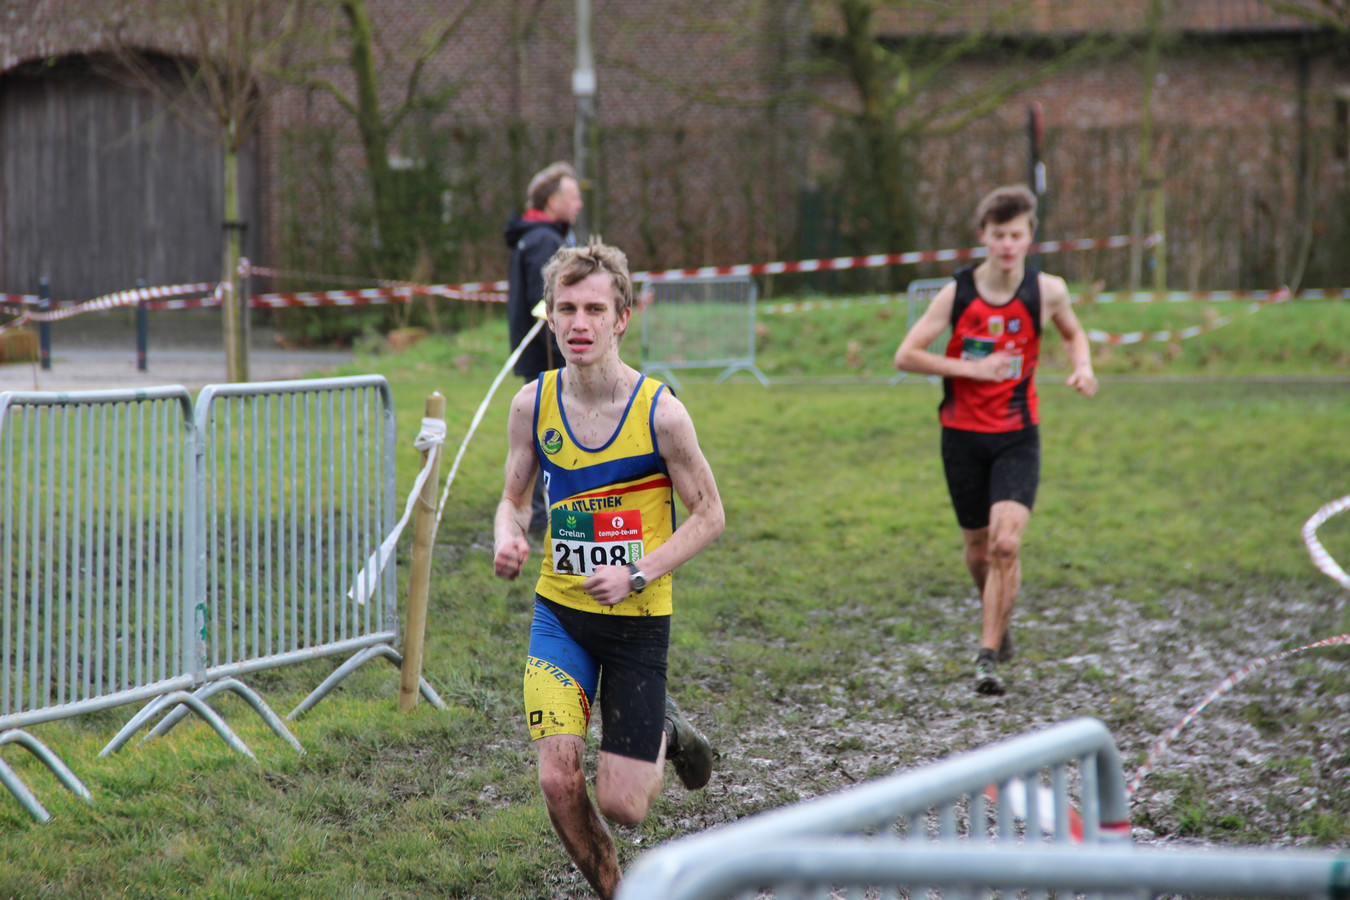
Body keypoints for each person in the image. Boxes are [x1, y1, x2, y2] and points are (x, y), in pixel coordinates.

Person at [493, 240, 724, 899]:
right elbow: (511, 501)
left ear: (622, 318)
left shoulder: (661, 412)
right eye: (564, 308)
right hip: (560, 616)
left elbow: (710, 515)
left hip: (636, 623)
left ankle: (668, 728)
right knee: (558, 779)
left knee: (624, 804)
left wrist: (639, 574)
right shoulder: (531, 406)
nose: (578, 324)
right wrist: (507, 538)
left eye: (594, 309)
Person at [892, 184, 1097, 696]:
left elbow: (1072, 333)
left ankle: (987, 655)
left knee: (1008, 544)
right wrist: (973, 368)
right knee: (979, 551)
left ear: (1030, 238)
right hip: (961, 436)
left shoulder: (1047, 290)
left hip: (1017, 436)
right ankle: (998, 615)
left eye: (1018, 235)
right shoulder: (958, 293)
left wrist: (1083, 366)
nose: (1008, 244)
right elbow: (906, 355)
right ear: (983, 237)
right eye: (999, 235)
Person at [504, 161, 584, 536]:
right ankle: (538, 515)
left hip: (539, 353)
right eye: (573, 196)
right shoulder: (543, 240)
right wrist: (565, 346)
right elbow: (546, 300)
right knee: (545, 433)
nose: (579, 203)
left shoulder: (539, 235)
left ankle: (541, 510)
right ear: (553, 201)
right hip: (546, 355)